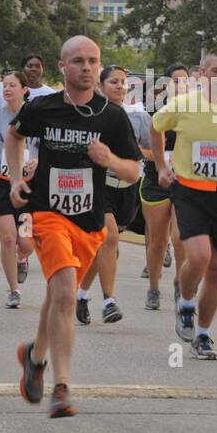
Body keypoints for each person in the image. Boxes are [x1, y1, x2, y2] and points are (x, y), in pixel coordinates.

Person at [9, 36, 142, 418]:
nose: (87, 67)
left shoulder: (112, 115)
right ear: (63, 67)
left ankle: (33, 357)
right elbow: (14, 136)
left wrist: (110, 159)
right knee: (67, 293)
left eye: (93, 61)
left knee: (57, 297)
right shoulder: (42, 107)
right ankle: (62, 388)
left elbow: (133, 171)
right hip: (48, 213)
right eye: (79, 61)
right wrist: (17, 178)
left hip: (89, 222)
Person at [150, 50, 217, 358]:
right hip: (190, 192)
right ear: (202, 73)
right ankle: (185, 304)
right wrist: (161, 166)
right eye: (216, 71)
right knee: (198, 256)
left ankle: (204, 334)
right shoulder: (184, 104)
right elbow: (156, 127)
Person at [78, 64, 150, 324]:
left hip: (127, 190)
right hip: (98, 186)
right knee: (109, 238)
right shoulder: (89, 115)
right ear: (100, 86)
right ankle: (109, 301)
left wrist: (145, 158)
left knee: (104, 247)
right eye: (114, 82)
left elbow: (156, 149)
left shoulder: (139, 117)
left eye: (123, 82)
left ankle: (81, 294)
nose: (121, 86)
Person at [0, 69, 37, 307]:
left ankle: (21, 258)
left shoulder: (37, 118)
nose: (6, 89)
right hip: (0, 182)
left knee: (25, 243)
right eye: (4, 85)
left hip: (27, 188)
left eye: (12, 85)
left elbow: (47, 147)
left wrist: (39, 160)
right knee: (7, 238)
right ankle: (14, 290)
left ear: (25, 90)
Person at [139, 64, 189, 308]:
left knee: (180, 239)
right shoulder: (153, 112)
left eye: (185, 81)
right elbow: (139, 147)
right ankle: (153, 289)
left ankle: (180, 284)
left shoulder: (197, 112)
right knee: (158, 241)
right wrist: (159, 163)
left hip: (185, 183)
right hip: (156, 181)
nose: (182, 85)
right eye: (177, 81)